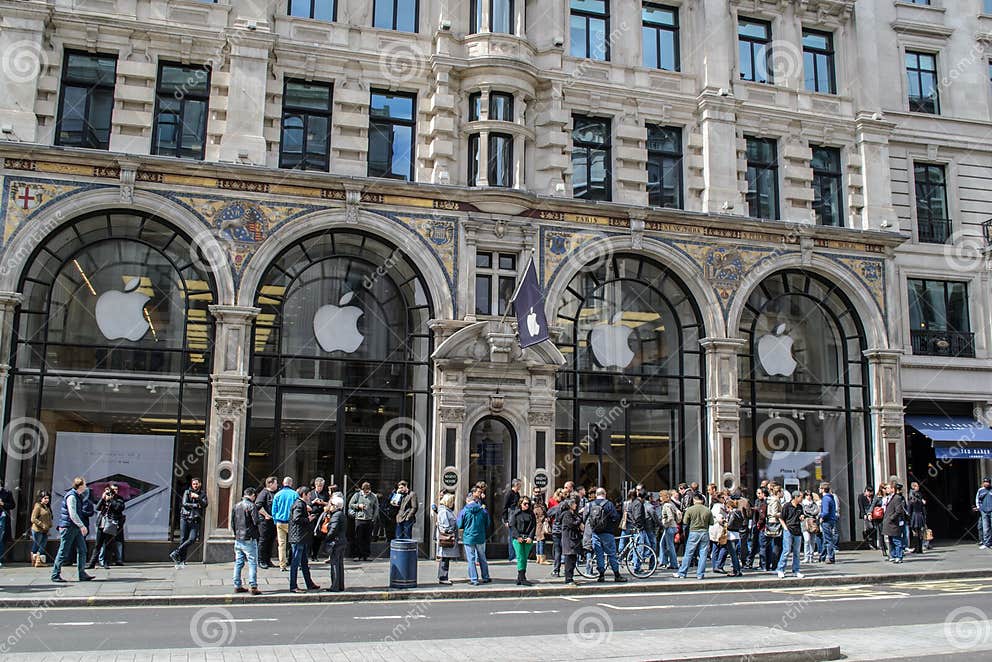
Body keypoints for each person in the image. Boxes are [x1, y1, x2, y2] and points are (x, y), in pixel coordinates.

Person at [51, 477, 94, 583]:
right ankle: (55, 574)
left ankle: (82, 573)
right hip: (69, 527)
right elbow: (72, 514)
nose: (86, 487)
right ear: (80, 486)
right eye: (84, 485)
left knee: (82, 550)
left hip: (75, 527)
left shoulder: (77, 496)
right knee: (63, 551)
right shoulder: (72, 496)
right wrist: (82, 526)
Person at [587, 487, 627, 583]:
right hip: (607, 533)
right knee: (612, 554)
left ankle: (601, 575)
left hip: (595, 533)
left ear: (596, 495)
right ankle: (617, 575)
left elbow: (586, 517)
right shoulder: (608, 504)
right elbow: (615, 517)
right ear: (604, 494)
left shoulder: (590, 504)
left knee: (599, 555)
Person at [288, 486, 320, 592]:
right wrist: (308, 519)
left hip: (301, 537)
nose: (310, 496)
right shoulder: (299, 504)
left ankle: (309, 583)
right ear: (304, 495)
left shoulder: (301, 504)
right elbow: (296, 518)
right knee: (295, 562)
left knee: (304, 562)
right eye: (309, 495)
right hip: (298, 537)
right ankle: (293, 586)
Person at [170, 478, 207, 568]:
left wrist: (198, 497)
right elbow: (184, 504)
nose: (195, 485)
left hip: (195, 519)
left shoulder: (202, 494)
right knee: (183, 538)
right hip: (185, 518)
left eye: (196, 484)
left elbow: (204, 505)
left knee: (192, 539)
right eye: (193, 484)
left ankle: (176, 552)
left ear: (200, 484)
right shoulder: (187, 492)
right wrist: (196, 505)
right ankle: (182, 560)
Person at [231, 486, 262, 595]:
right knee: (252, 562)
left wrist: (236, 534)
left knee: (238, 562)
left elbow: (232, 523)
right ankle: (253, 586)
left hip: (238, 538)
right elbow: (256, 521)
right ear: (252, 495)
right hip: (249, 538)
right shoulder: (251, 506)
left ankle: (237, 585)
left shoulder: (236, 506)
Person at [674, 494, 713, 580]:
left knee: (688, 553)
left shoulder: (690, 509)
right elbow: (711, 522)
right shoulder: (707, 510)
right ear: (702, 500)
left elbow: (685, 521)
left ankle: (682, 572)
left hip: (694, 532)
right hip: (704, 532)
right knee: (703, 554)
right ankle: (700, 574)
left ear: (694, 500)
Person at [457, 494, 491, 586]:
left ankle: (474, 579)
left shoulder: (464, 511)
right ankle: (485, 577)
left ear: (467, 501)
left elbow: (459, 525)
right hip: (480, 537)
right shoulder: (483, 510)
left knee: (471, 559)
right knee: (482, 557)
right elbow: (488, 523)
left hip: (469, 538)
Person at [88, 484, 125, 569]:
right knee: (98, 544)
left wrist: (111, 500)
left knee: (108, 544)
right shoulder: (105, 497)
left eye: (116, 489)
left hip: (111, 524)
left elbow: (119, 508)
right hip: (102, 523)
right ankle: (92, 563)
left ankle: (106, 563)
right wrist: (102, 498)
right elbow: (97, 508)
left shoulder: (119, 499)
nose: (115, 491)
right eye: (113, 489)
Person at [777, 492, 805, 579]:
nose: (802, 499)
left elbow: (801, 516)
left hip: (798, 530)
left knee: (797, 552)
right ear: (796, 497)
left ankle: (796, 570)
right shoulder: (787, 506)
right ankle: (781, 569)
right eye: (801, 497)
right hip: (788, 530)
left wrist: (802, 517)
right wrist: (785, 528)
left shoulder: (800, 507)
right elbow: (781, 518)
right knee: (786, 550)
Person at [509, 496, 537, 585]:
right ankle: (522, 577)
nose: (527, 505)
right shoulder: (516, 513)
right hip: (518, 538)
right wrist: (518, 537)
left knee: (525, 558)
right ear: (520, 504)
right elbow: (512, 526)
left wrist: (530, 537)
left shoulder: (531, 514)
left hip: (528, 538)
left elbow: (533, 526)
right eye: (525, 504)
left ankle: (520, 577)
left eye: (528, 504)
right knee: (520, 557)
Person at [270, 477, 296, 571]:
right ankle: (295, 563)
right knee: (294, 543)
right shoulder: (294, 494)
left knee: (281, 544)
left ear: (283, 483)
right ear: (291, 483)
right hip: (291, 522)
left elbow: (274, 510)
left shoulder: (277, 494)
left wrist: (275, 520)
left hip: (280, 522)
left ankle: (282, 565)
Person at [348, 481, 379, 561]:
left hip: (369, 519)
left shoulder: (373, 496)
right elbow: (350, 504)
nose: (367, 493)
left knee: (367, 538)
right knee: (358, 538)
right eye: (365, 491)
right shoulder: (357, 495)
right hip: (359, 519)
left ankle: (366, 555)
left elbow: (376, 508)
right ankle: (357, 555)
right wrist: (358, 506)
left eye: (368, 491)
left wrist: (374, 518)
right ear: (362, 490)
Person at [324, 496, 347, 592]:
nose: (330, 506)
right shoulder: (341, 514)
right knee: (340, 564)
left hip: (336, 542)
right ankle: (340, 585)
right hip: (341, 541)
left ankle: (335, 586)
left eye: (331, 504)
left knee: (334, 564)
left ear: (336, 506)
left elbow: (333, 529)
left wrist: (327, 538)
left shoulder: (336, 515)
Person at [435, 492, 459, 585]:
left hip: (447, 537)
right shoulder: (444, 511)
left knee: (446, 558)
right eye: (452, 501)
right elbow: (445, 526)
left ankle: (444, 576)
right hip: (446, 538)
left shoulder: (445, 510)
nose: (453, 503)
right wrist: (452, 530)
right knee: (445, 558)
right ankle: (443, 577)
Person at [255, 477, 278, 569]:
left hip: (273, 521)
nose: (277, 485)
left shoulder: (275, 493)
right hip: (265, 522)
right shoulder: (264, 493)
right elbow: (258, 505)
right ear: (270, 484)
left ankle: (268, 560)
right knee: (263, 541)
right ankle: (261, 560)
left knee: (271, 541)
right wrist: (266, 515)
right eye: (275, 483)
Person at [883, 482, 908, 563]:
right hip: (888, 523)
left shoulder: (897, 498)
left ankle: (899, 556)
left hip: (893, 523)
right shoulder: (888, 497)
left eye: (888, 488)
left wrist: (891, 518)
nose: (886, 489)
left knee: (896, 540)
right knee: (890, 540)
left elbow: (898, 511)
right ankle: (893, 555)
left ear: (893, 489)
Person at [560, 497, 583, 585]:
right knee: (569, 560)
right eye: (574, 504)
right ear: (570, 505)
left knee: (573, 559)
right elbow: (572, 524)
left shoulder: (573, 514)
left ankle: (571, 577)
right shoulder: (567, 514)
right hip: (569, 539)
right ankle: (568, 578)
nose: (576, 505)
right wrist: (579, 520)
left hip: (573, 539)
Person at [309, 477, 330, 561]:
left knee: (318, 536)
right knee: (310, 536)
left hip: (321, 517)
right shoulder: (311, 493)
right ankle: (309, 554)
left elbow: (329, 504)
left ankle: (315, 555)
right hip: (312, 516)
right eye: (318, 486)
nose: (320, 488)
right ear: (315, 485)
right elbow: (307, 504)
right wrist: (313, 502)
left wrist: (323, 503)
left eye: (321, 486)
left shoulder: (325, 494)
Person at [763, 485, 783, 573]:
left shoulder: (770, 499)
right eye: (781, 492)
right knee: (777, 544)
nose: (782, 493)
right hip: (775, 523)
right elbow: (774, 513)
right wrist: (782, 513)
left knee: (769, 544)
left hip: (770, 522)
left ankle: (768, 564)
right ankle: (775, 565)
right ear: (778, 492)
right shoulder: (775, 500)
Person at [31, 491, 53, 567]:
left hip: (45, 530)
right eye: (45, 498)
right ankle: (36, 561)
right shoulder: (38, 506)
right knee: (37, 545)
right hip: (37, 530)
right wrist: (42, 525)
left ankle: (38, 561)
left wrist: (49, 527)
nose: (47, 500)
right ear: (41, 498)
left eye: (48, 498)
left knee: (42, 546)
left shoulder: (46, 506)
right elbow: (33, 519)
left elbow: (48, 518)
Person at [659, 490, 680, 570]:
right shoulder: (671, 504)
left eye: (661, 496)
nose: (660, 498)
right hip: (673, 526)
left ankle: (673, 563)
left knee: (670, 546)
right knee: (663, 543)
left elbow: (670, 517)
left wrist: (665, 523)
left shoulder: (666, 505)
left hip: (669, 527)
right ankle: (663, 561)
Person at [818, 482, 837, 564]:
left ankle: (831, 557)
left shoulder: (825, 499)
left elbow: (825, 512)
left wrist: (820, 516)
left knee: (828, 540)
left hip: (826, 521)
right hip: (831, 520)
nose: (819, 489)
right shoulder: (831, 497)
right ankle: (822, 557)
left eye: (820, 488)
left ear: (823, 489)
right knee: (826, 539)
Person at [503, 478, 522, 561]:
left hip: (516, 517)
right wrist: (505, 520)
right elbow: (505, 507)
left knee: (516, 536)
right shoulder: (509, 494)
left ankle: (517, 555)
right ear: (516, 485)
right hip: (511, 517)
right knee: (512, 537)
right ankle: (512, 556)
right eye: (520, 485)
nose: (520, 487)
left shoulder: (517, 494)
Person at [908, 482, 927, 554]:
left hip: (915, 515)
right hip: (918, 515)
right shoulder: (918, 497)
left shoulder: (913, 497)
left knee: (916, 533)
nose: (918, 487)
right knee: (918, 533)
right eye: (917, 486)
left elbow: (909, 509)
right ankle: (919, 548)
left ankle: (917, 548)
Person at [801, 492, 820, 564]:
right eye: (807, 495)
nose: (808, 497)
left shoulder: (814, 504)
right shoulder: (802, 504)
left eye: (809, 495)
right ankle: (806, 557)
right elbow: (805, 512)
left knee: (812, 541)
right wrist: (812, 512)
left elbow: (817, 511)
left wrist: (811, 513)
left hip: (813, 524)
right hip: (805, 524)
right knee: (807, 540)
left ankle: (811, 557)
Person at [976, 477, 992, 549]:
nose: (986, 483)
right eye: (985, 482)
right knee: (985, 528)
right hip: (984, 511)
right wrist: (979, 508)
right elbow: (977, 499)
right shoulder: (981, 490)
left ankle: (990, 542)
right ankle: (986, 543)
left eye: (988, 482)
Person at [533, 499, 549, 565]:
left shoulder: (534, 508)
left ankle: (538, 558)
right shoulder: (540, 509)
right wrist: (545, 518)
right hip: (540, 526)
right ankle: (542, 559)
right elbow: (541, 517)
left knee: (538, 541)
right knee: (542, 541)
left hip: (537, 526)